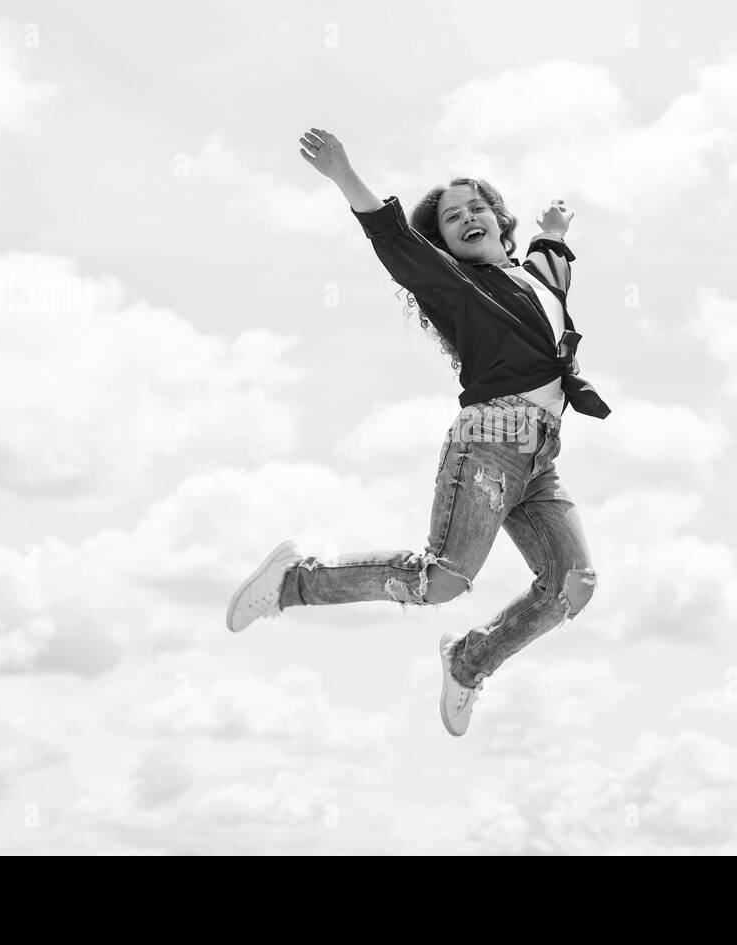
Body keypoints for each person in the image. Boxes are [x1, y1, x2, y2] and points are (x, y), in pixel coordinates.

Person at [226, 127, 611, 737]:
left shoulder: (539, 279)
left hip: (540, 461)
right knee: (442, 581)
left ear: (499, 220)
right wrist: (343, 174)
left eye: (476, 207)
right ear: (446, 244)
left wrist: (556, 229)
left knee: (574, 585)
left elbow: (551, 262)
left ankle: (469, 660)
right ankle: (293, 581)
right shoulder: (452, 285)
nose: (466, 218)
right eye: (452, 218)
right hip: (487, 444)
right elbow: (395, 238)